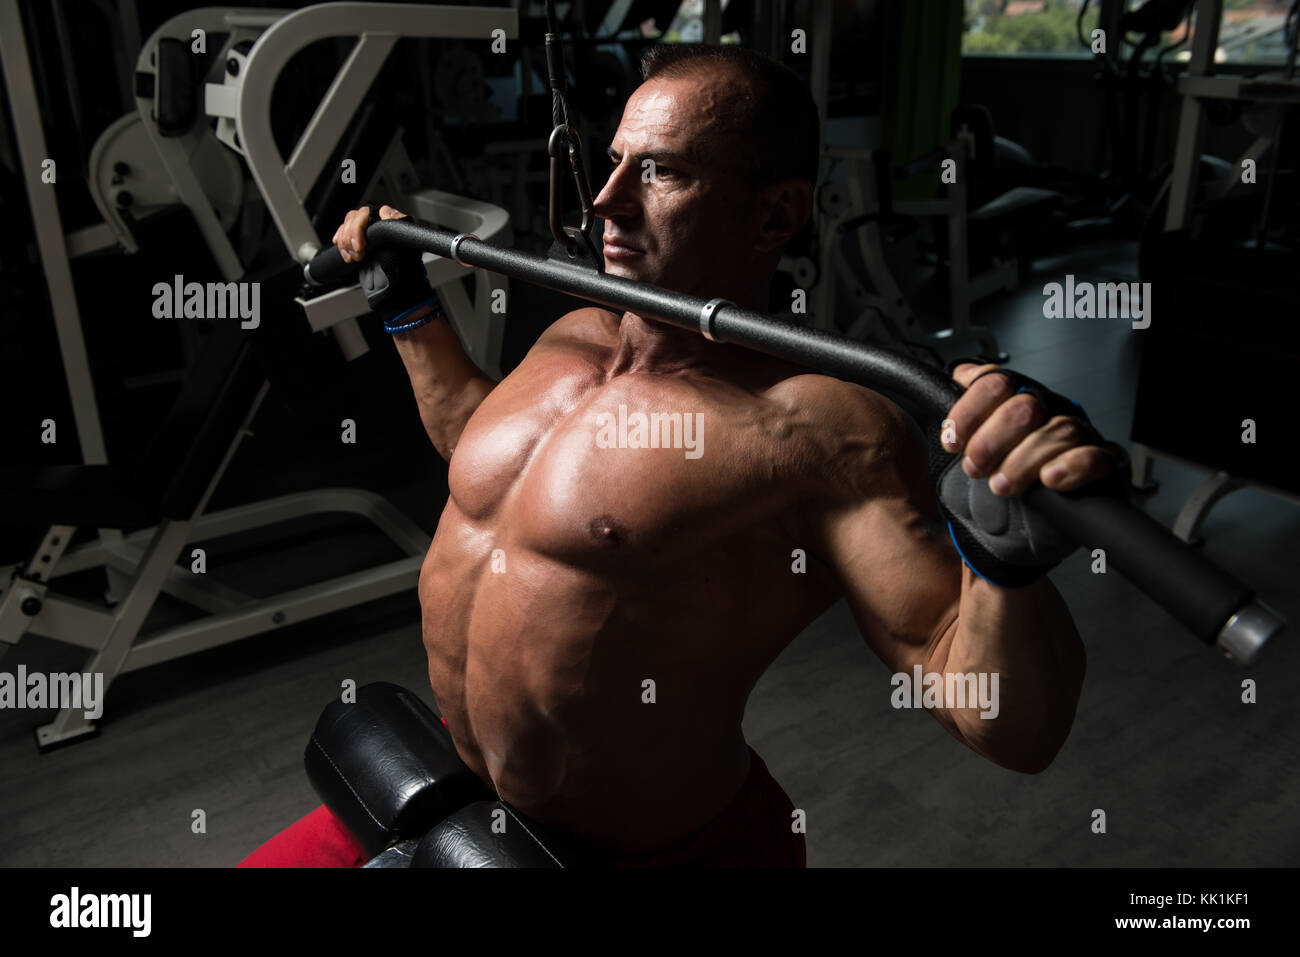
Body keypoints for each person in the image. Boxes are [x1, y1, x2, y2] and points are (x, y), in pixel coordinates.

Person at [242, 44, 1116, 869]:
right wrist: (405, 308)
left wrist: (1003, 564)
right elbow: (483, 456)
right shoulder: (576, 331)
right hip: (450, 787)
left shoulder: (814, 427)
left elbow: (995, 714)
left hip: (658, 854)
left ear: (774, 214)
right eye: (614, 161)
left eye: (661, 171)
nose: (607, 200)